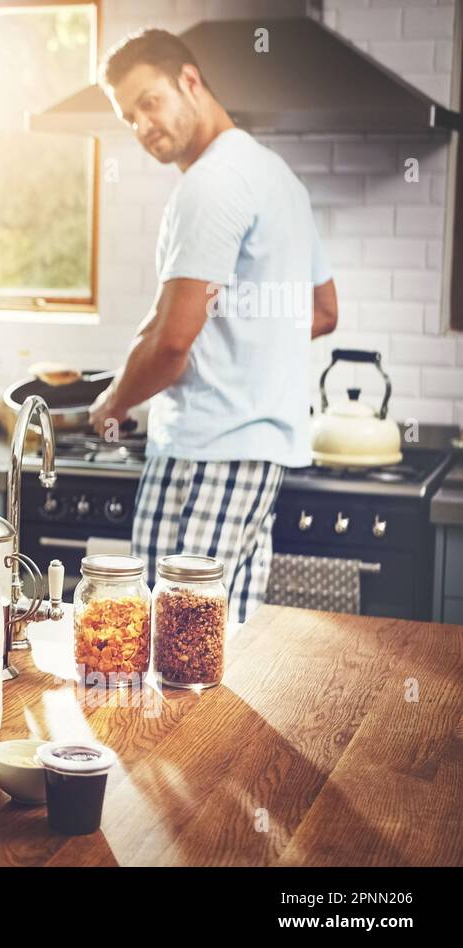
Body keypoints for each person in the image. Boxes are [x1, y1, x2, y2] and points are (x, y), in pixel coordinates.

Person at [87, 28, 339, 623]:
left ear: (190, 81)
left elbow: (174, 341)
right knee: (224, 648)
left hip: (206, 450)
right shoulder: (279, 176)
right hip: (258, 455)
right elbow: (323, 311)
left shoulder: (210, 183)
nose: (143, 125)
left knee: (163, 640)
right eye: (129, 118)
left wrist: (114, 406)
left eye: (150, 101)